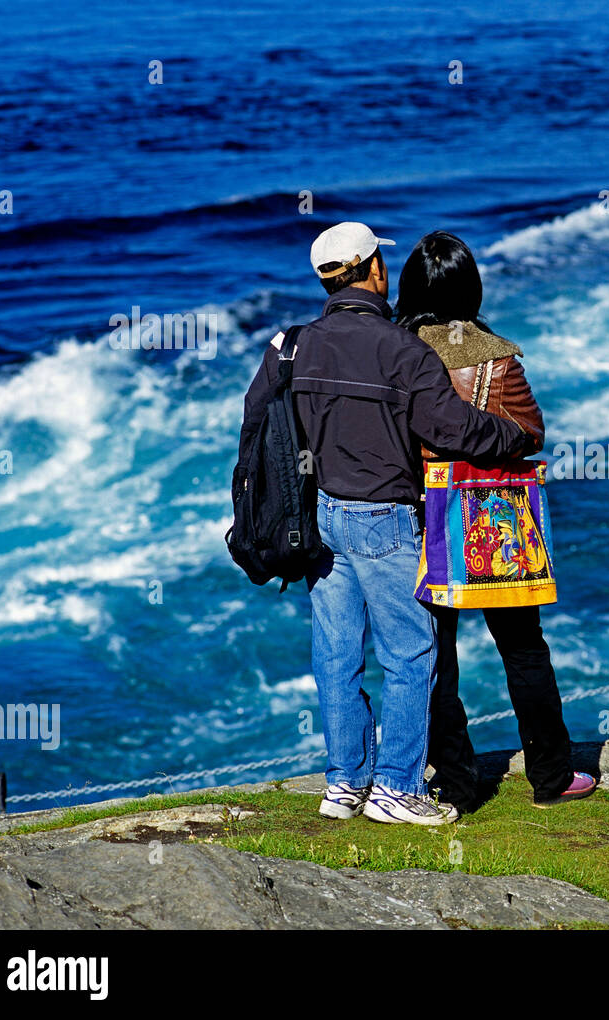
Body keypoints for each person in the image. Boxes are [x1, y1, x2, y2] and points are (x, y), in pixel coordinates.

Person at [240, 222, 534, 824]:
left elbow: (254, 428)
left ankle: (345, 782)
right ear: (374, 270)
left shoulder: (290, 345)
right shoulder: (404, 351)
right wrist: (517, 435)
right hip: (386, 521)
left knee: (337, 655)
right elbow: (454, 429)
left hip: (319, 518)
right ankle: (398, 787)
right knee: (410, 654)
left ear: (326, 278)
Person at [395, 230, 597, 810]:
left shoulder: (395, 350)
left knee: (434, 656)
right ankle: (551, 778)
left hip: (416, 518)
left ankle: (455, 786)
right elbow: (532, 433)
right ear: (470, 287)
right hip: (491, 518)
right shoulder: (493, 357)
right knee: (524, 650)